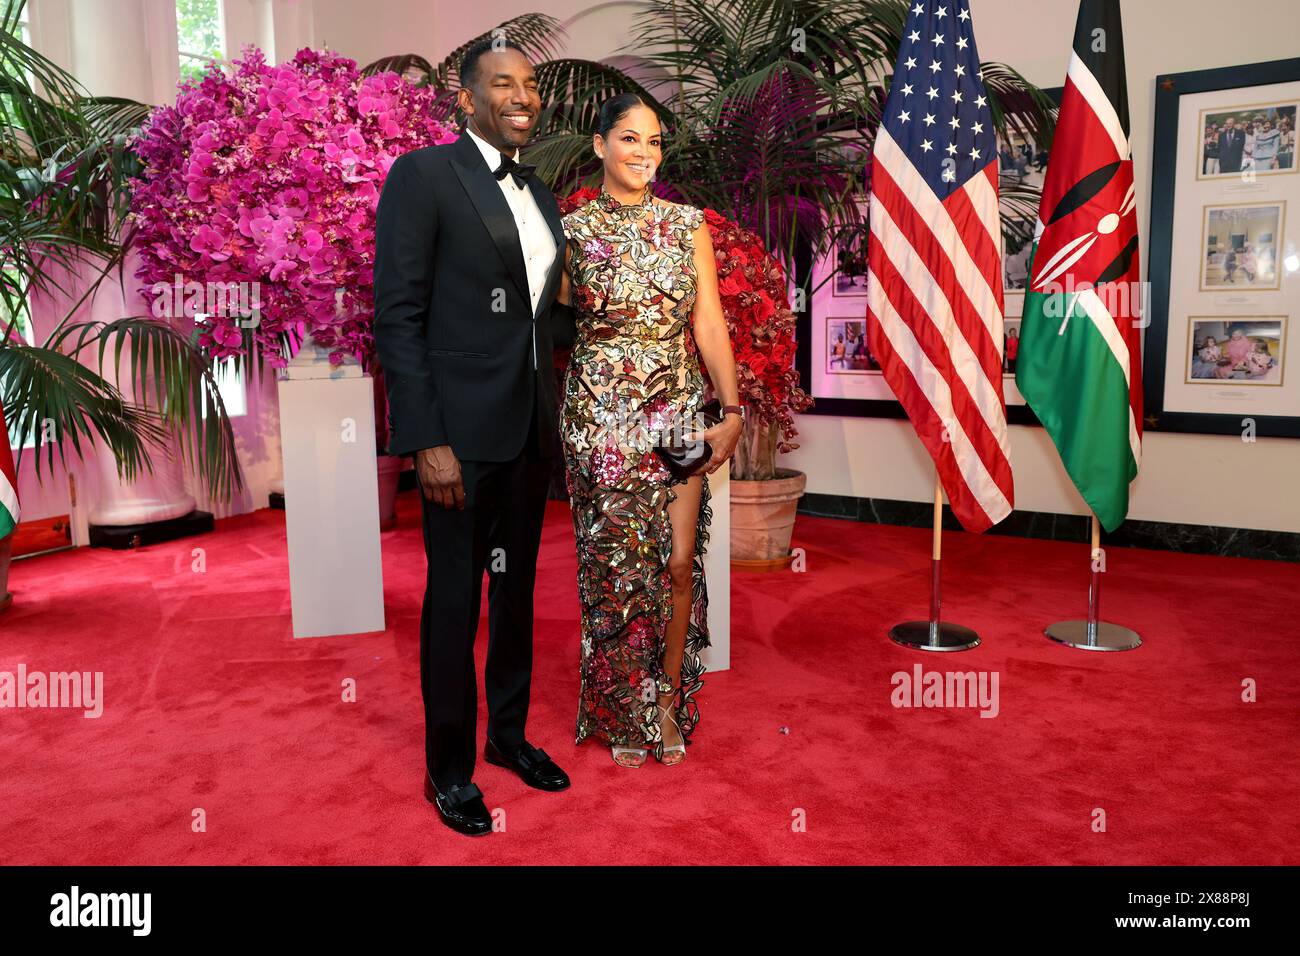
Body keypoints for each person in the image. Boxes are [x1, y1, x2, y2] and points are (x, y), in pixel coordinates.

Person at [373, 39, 574, 836]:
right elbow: (398, 314)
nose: (522, 96)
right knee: (455, 601)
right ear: (466, 99)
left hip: (526, 430)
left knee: (517, 591)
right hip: (457, 437)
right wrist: (425, 438)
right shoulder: (422, 177)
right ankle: (448, 771)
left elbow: (539, 317)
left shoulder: (541, 191)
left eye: (530, 85)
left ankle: (509, 737)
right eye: (503, 84)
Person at [557, 93, 743, 768]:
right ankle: (620, 705)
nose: (644, 153)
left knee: (674, 563)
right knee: (614, 570)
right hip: (602, 420)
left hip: (679, 416)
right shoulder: (570, 233)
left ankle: (664, 699)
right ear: (599, 144)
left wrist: (732, 410)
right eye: (630, 139)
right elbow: (556, 323)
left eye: (656, 141)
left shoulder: (687, 223)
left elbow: (710, 325)